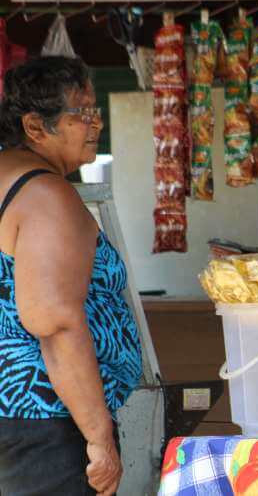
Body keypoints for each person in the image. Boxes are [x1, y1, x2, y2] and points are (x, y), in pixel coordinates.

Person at [0, 56, 142, 496]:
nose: (95, 122)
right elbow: (55, 323)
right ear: (35, 126)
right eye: (82, 112)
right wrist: (100, 441)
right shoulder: (45, 194)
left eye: (95, 110)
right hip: (43, 424)